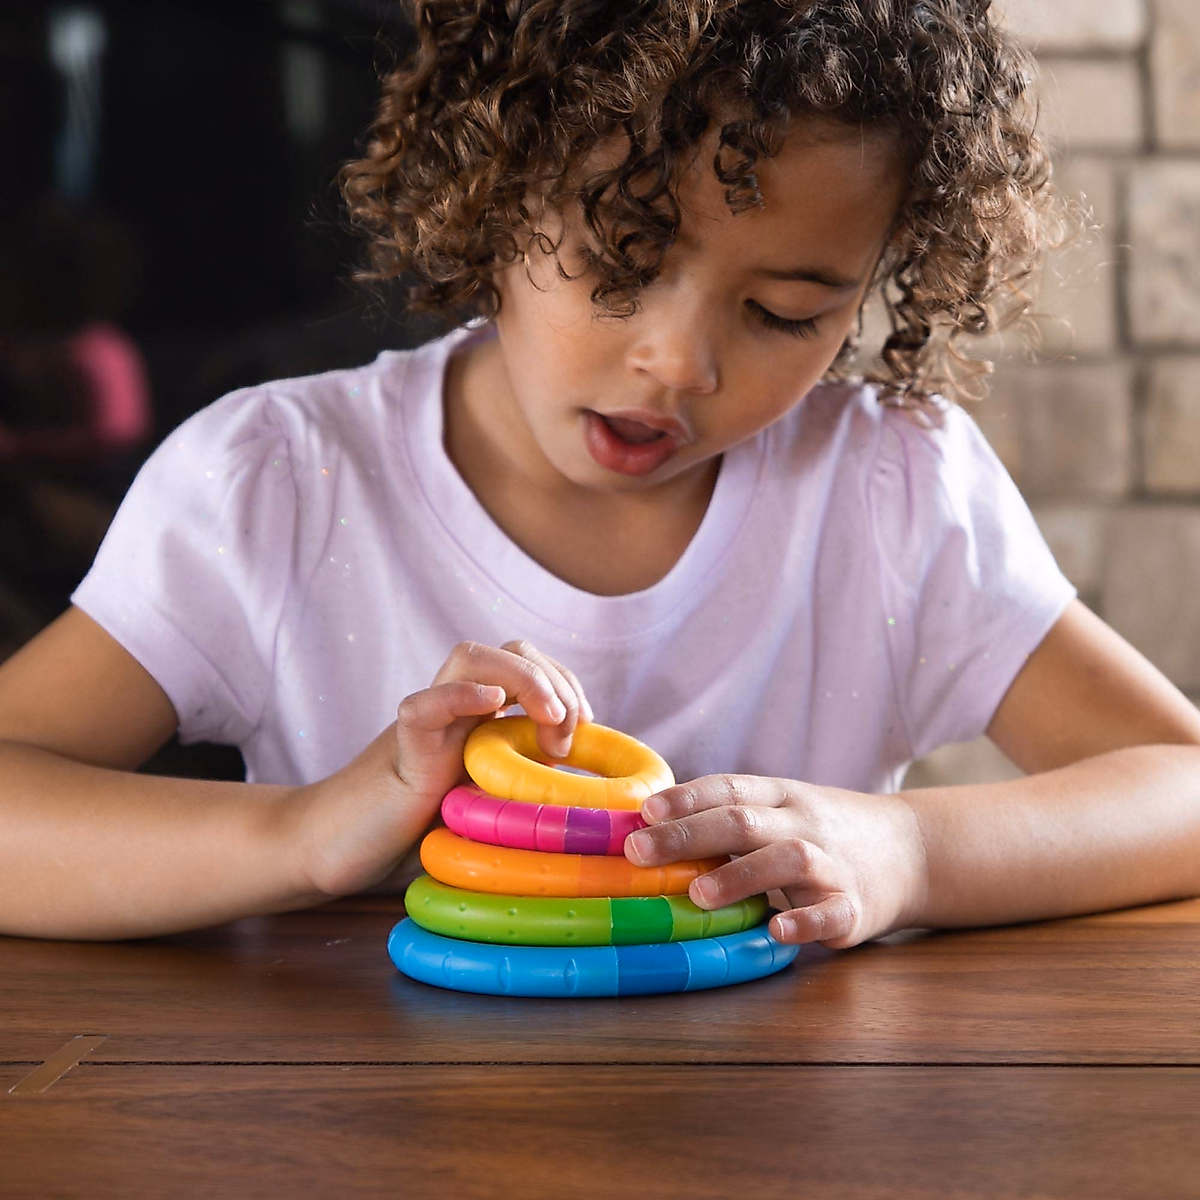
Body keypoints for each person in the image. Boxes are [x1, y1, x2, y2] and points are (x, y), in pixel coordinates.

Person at [3, 0, 1199, 945]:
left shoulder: (889, 492)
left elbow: (1181, 786)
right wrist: (305, 834)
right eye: (619, 262)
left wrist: (910, 853)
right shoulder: (279, 483)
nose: (677, 363)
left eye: (784, 312)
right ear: (495, 194)